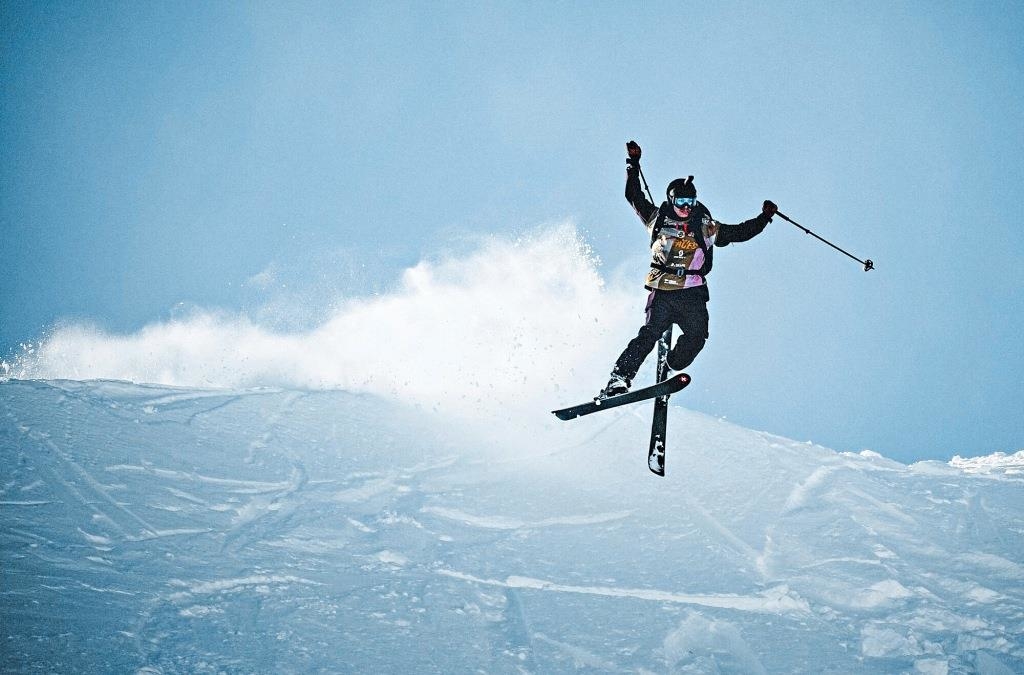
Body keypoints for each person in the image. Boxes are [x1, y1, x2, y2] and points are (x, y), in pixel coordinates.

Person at [599, 140, 778, 398]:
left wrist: (764, 217)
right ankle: (618, 379)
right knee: (648, 334)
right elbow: (634, 196)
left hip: (692, 293)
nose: (686, 206)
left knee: (698, 336)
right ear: (671, 200)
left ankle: (672, 363)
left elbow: (739, 232)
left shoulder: (705, 225)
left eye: (690, 201)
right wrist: (634, 165)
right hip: (663, 289)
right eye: (681, 200)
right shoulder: (657, 218)